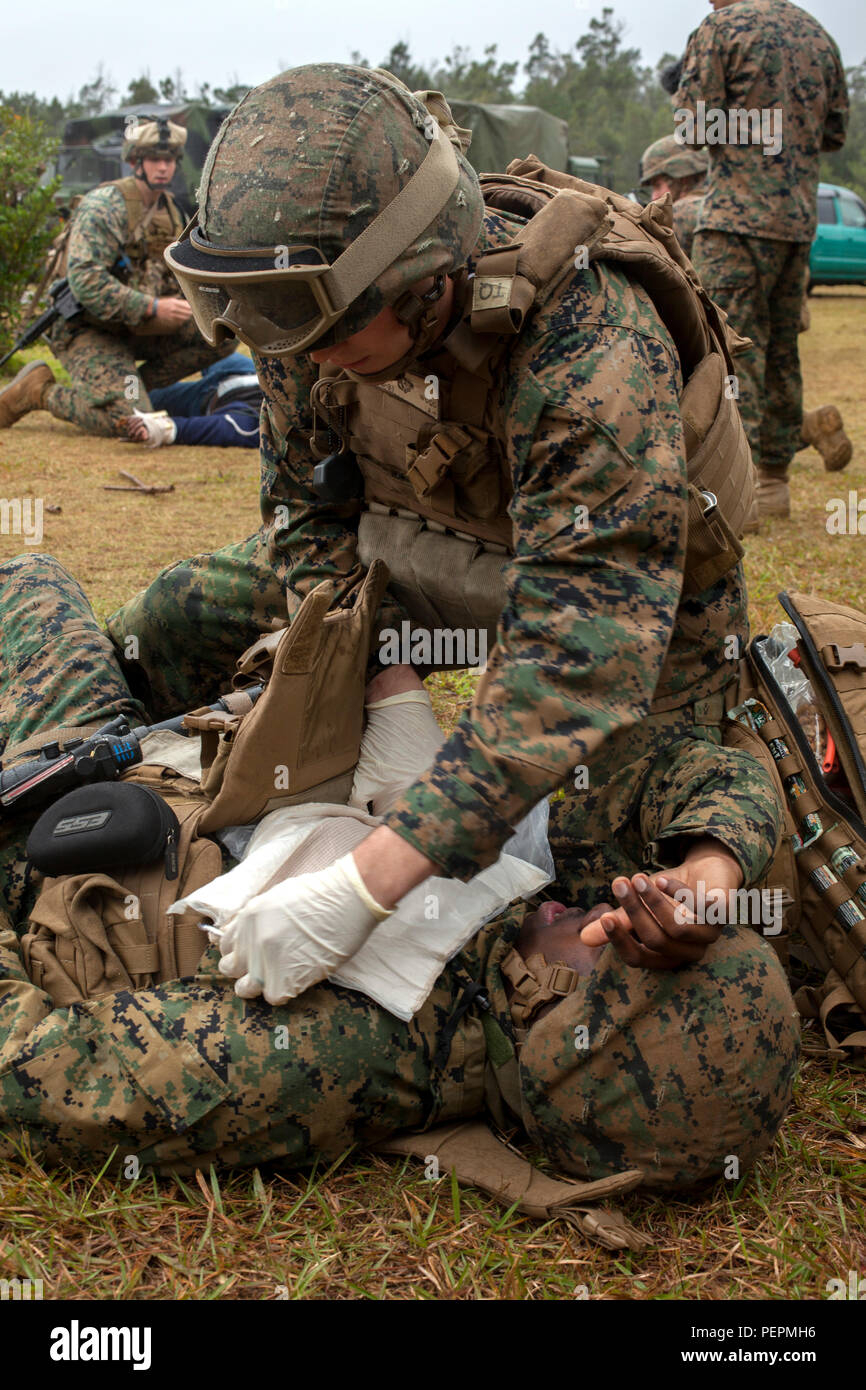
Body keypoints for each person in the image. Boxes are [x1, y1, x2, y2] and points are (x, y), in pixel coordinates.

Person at [106, 66, 781, 1016]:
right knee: (170, 620)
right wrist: (384, 683)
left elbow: (572, 660)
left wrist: (366, 882)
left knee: (599, 852)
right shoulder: (310, 311)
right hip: (425, 554)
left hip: (636, 610)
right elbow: (307, 519)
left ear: (422, 278)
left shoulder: (592, 344)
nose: (279, 345)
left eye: (302, 317)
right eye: (254, 312)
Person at [0, 553, 798, 1188]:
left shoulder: (347, 1050)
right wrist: (710, 869)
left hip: (55, 829)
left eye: (611, 948)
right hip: (185, 769)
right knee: (112, 597)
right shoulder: (514, 931)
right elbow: (700, 771)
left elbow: (33, 1076)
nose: (606, 908)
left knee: (28, 587)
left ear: (563, 1031)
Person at [674, 0, 851, 518]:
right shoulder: (818, 35)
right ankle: (773, 485)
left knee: (728, 353)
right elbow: (835, 132)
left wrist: (748, 132)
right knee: (780, 353)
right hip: (797, 225)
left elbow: (691, 127)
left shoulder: (721, 29)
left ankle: (739, 494)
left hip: (735, 221)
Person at [0, 119, 235, 439]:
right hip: (88, 328)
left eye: (169, 160)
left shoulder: (172, 212)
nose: (163, 167)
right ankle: (38, 392)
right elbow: (85, 280)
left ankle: (131, 387)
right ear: (135, 163)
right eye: (154, 160)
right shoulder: (106, 206)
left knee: (220, 332)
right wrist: (152, 307)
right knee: (126, 422)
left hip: (135, 326)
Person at [126, 355, 262, 449]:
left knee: (133, 397)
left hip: (208, 396)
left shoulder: (251, 428)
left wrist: (158, 428)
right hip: (251, 371)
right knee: (210, 338)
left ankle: (116, 364)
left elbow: (213, 428)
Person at [639, 134, 708, 259]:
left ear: (683, 180)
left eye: (658, 186)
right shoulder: (725, 203)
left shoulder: (681, 212)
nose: (654, 196)